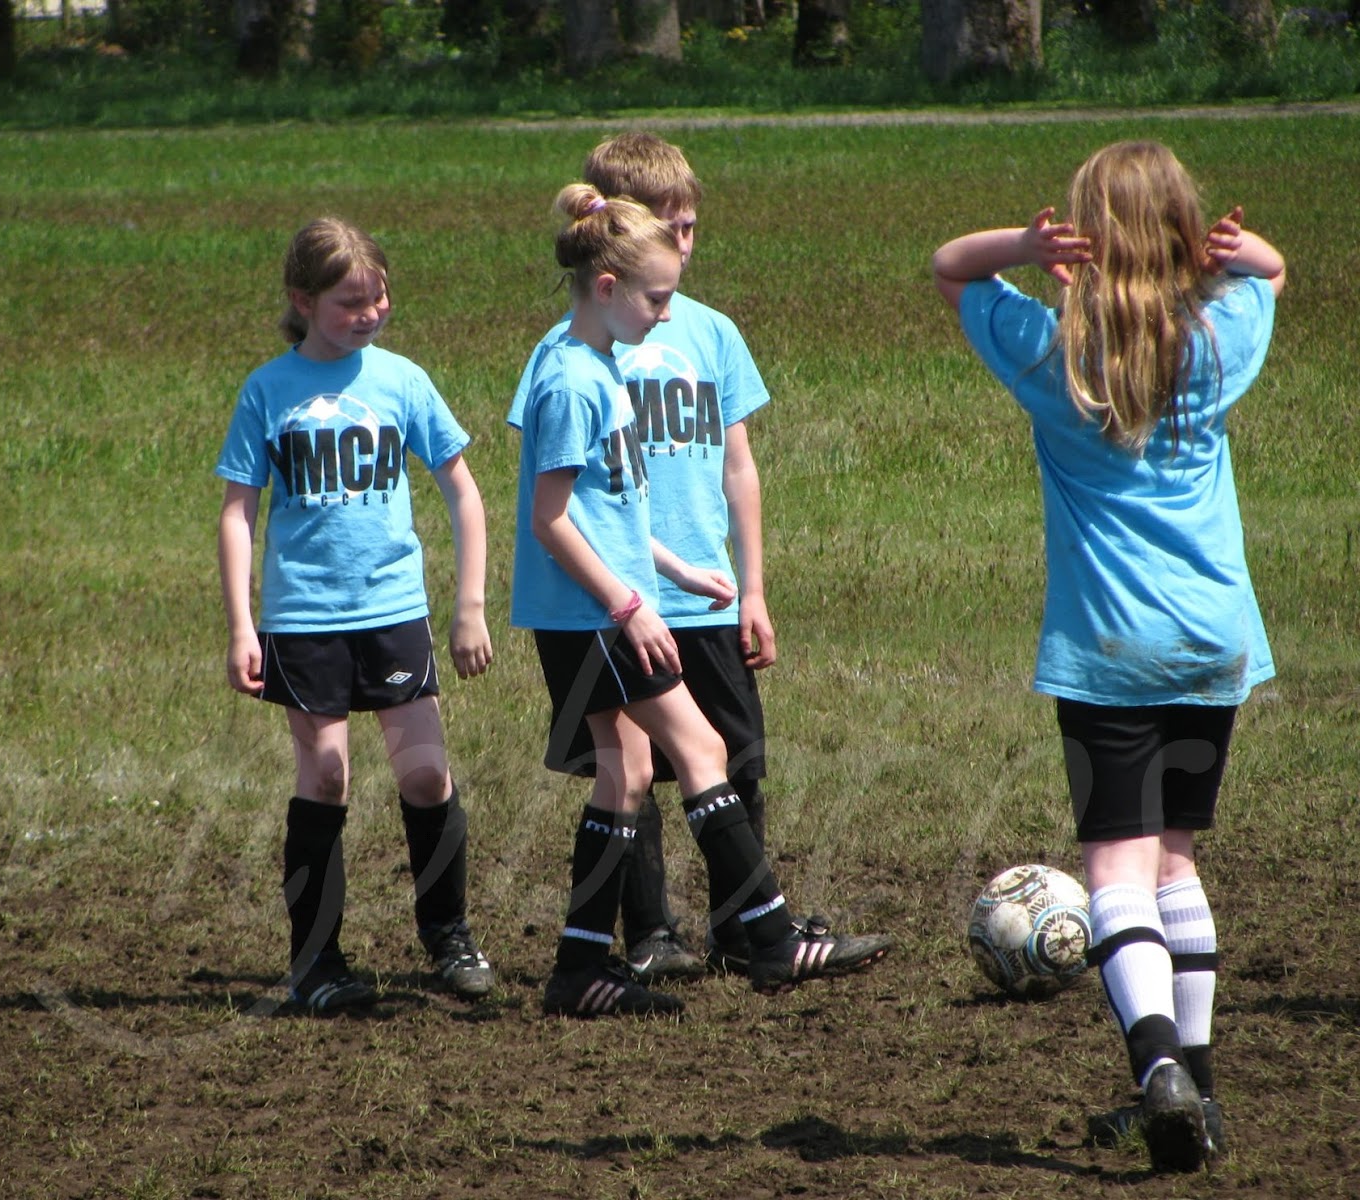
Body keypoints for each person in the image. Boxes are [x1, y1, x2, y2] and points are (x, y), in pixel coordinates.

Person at [932, 140, 1286, 1173]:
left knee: (1115, 869)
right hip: (1212, 639)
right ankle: (1201, 1094)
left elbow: (951, 266)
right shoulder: (1220, 343)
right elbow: (1269, 274)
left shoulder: (1051, 355)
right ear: (1185, 231)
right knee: (1178, 857)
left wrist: (1023, 245)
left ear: (1078, 239)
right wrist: (1225, 254)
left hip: (1107, 646)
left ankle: (1154, 1068)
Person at [509, 132, 891, 983]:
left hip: (605, 607)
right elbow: (552, 517)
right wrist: (632, 602)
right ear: (608, 285)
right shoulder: (573, 377)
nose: (668, 314)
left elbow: (609, 505)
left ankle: (581, 969)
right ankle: (769, 938)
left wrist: (677, 573)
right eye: (655, 298)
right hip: (597, 614)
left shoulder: (600, 365)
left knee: (629, 770)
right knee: (699, 753)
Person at [216, 217, 497, 1014]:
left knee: (425, 773)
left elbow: (463, 493)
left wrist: (468, 606)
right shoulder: (268, 390)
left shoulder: (403, 380)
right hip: (304, 617)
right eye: (349, 303)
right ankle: (318, 963)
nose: (369, 314)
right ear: (302, 302)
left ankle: (448, 935)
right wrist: (244, 625)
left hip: (393, 607)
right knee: (327, 775)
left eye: (379, 298)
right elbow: (239, 512)